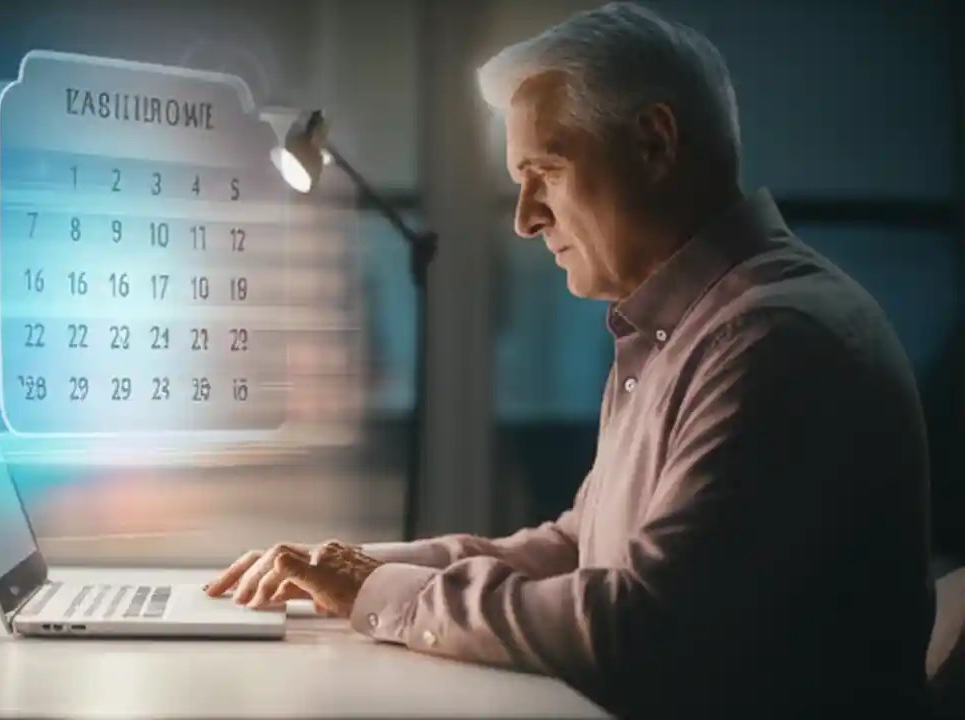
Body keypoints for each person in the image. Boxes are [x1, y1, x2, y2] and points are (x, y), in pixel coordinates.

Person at [204, 2, 934, 716]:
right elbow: (577, 547)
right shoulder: (689, 326)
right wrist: (351, 566)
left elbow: (638, 626)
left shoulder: (772, 342)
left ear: (653, 142)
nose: (524, 218)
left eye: (544, 170)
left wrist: (376, 592)